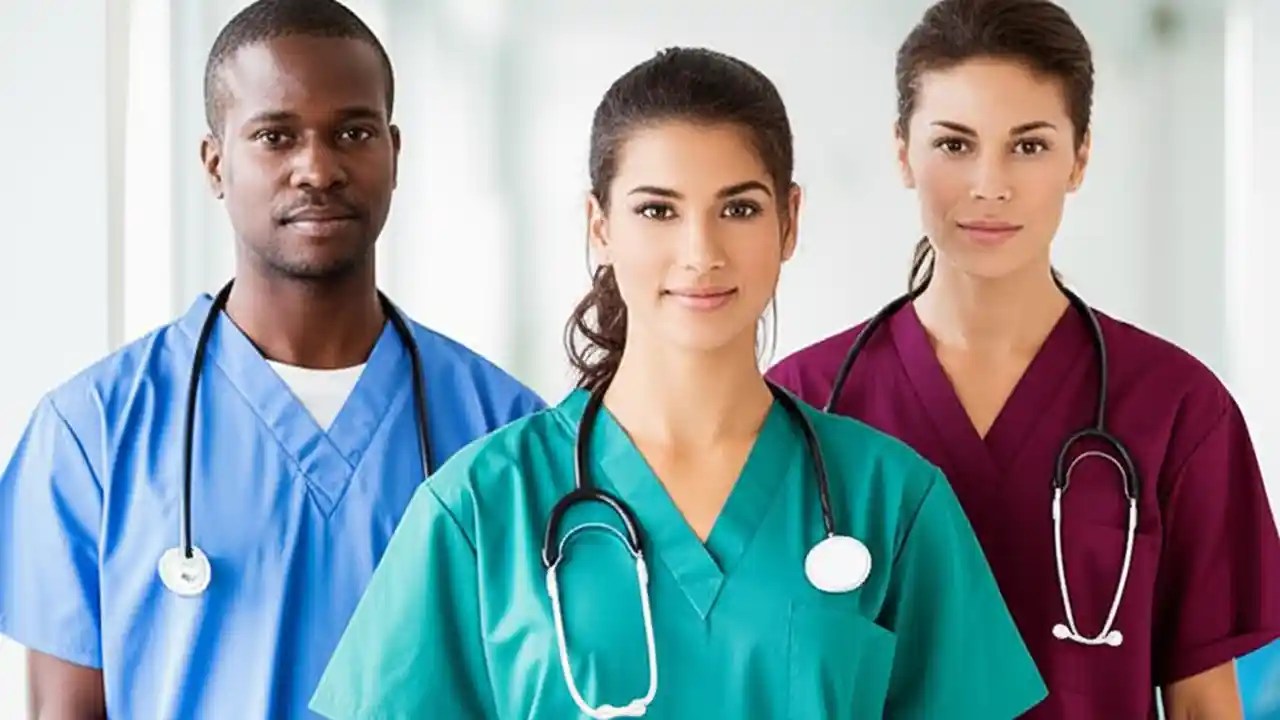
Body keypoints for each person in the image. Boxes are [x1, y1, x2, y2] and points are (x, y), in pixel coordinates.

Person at [308, 46, 1047, 719]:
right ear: (600, 226)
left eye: (739, 208)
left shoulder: (889, 500)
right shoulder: (480, 505)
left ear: (789, 222)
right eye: (657, 210)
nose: (700, 252)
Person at [0, 0, 544, 717]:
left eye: (352, 131)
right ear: (215, 163)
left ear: (394, 153)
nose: (317, 169)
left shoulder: (506, 431)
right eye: (275, 136)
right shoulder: (91, 432)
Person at [767, 0, 1280, 717]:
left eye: (1029, 145)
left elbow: (1200, 701)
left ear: (1080, 158)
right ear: (901, 152)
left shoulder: (1179, 409)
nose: (990, 183)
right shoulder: (802, 406)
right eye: (954, 143)